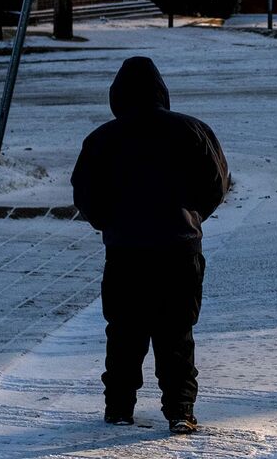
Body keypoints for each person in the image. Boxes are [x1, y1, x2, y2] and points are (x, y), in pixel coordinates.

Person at [72, 56, 229, 434]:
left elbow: (85, 194)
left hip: (126, 252)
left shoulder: (102, 139)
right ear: (162, 93)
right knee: (177, 332)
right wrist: (190, 217)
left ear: (117, 96)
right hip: (180, 249)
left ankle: (119, 408)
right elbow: (216, 184)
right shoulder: (192, 131)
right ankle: (180, 409)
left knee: (124, 332)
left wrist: (111, 222)